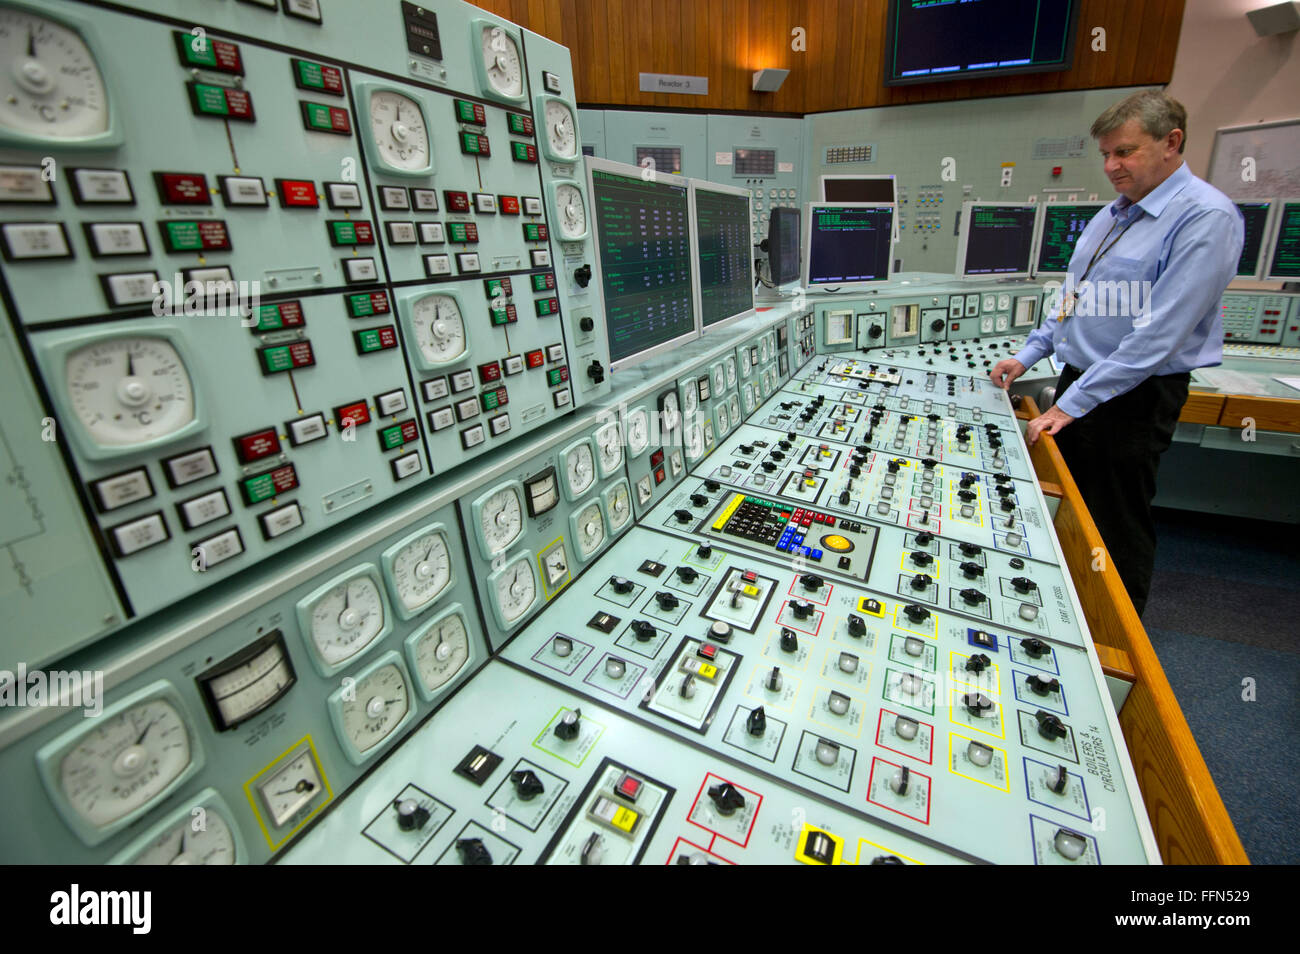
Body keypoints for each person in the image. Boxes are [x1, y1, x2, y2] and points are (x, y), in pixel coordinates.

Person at [989, 89, 1243, 617]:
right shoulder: (1113, 214)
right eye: (1106, 154)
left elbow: (1158, 335)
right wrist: (1031, 354)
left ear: (1171, 142)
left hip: (1133, 396)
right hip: (1080, 383)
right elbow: (1073, 296)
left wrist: (1069, 406)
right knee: (1072, 512)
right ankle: (1065, 614)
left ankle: (1115, 636)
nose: (1111, 166)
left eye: (1124, 152)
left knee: (1114, 523)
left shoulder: (1206, 218)